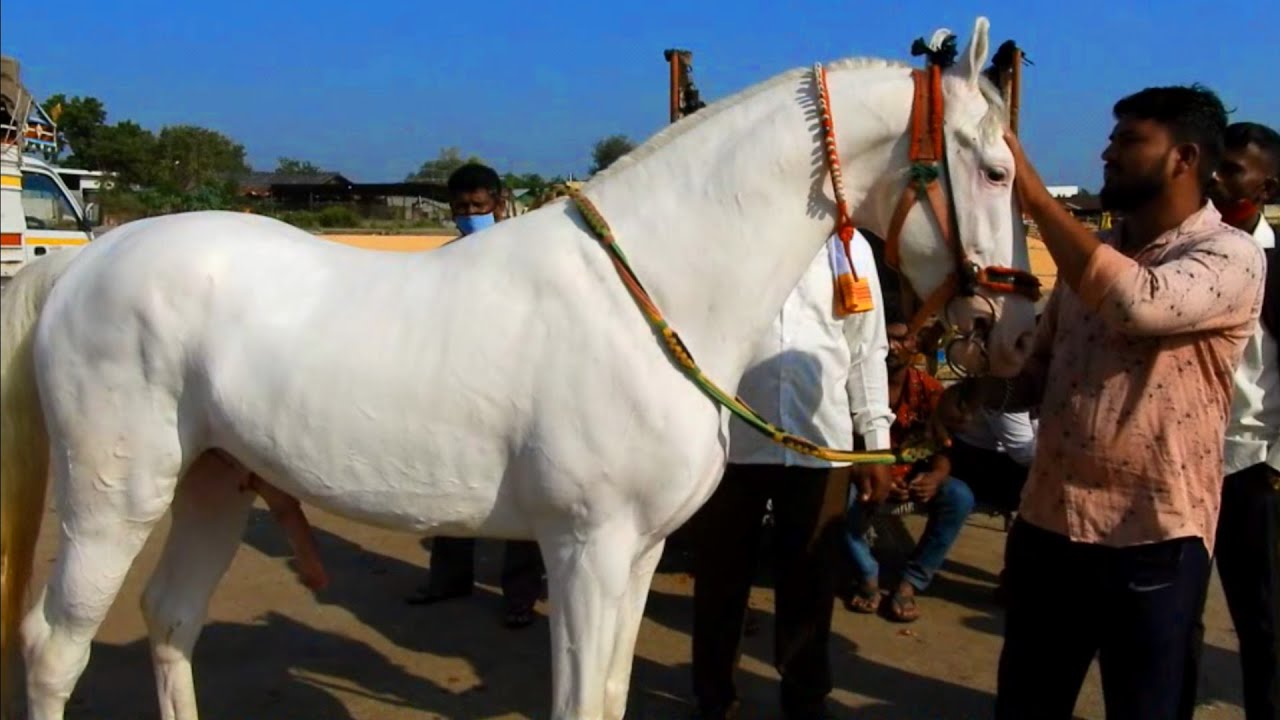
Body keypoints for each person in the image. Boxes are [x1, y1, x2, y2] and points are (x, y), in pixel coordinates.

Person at [945, 85, 1265, 720]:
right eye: (1112, 138)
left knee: (1144, 707)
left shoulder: (1230, 255)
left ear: (1184, 158)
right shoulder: (1091, 261)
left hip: (1153, 540)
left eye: (1128, 140)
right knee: (1028, 702)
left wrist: (1033, 196)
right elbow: (1038, 376)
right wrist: (982, 391)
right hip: (1050, 528)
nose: (1107, 152)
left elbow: (1138, 303)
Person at [689, 229, 895, 720]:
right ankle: (713, 697)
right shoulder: (730, 234)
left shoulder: (851, 249)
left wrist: (877, 445)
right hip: (728, 443)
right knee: (720, 577)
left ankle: (805, 699)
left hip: (820, 445)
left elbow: (867, 351)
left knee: (811, 579)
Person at [404, 163, 546, 629]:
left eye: (479, 207)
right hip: (455, 395)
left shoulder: (526, 257)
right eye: (462, 208)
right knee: (448, 488)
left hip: (517, 395)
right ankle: (448, 578)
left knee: (524, 497)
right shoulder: (444, 261)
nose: (470, 215)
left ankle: (520, 595)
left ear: (500, 205)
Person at [1183, 121, 1280, 720]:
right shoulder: (1188, 255)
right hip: (1185, 467)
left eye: (1234, 169)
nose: (1216, 178)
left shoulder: (1276, 269)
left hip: (1253, 471)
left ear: (1266, 186)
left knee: (1263, 622)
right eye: (1214, 164)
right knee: (1175, 621)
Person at [843, 320, 975, 623]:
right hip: (862, 477)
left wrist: (934, 477)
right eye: (884, 338)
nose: (892, 347)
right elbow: (835, 449)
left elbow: (943, 449)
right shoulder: (848, 386)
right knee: (838, 499)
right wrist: (872, 476)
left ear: (915, 345)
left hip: (912, 480)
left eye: (901, 340)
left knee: (960, 497)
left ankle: (910, 583)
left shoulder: (928, 389)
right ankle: (867, 577)